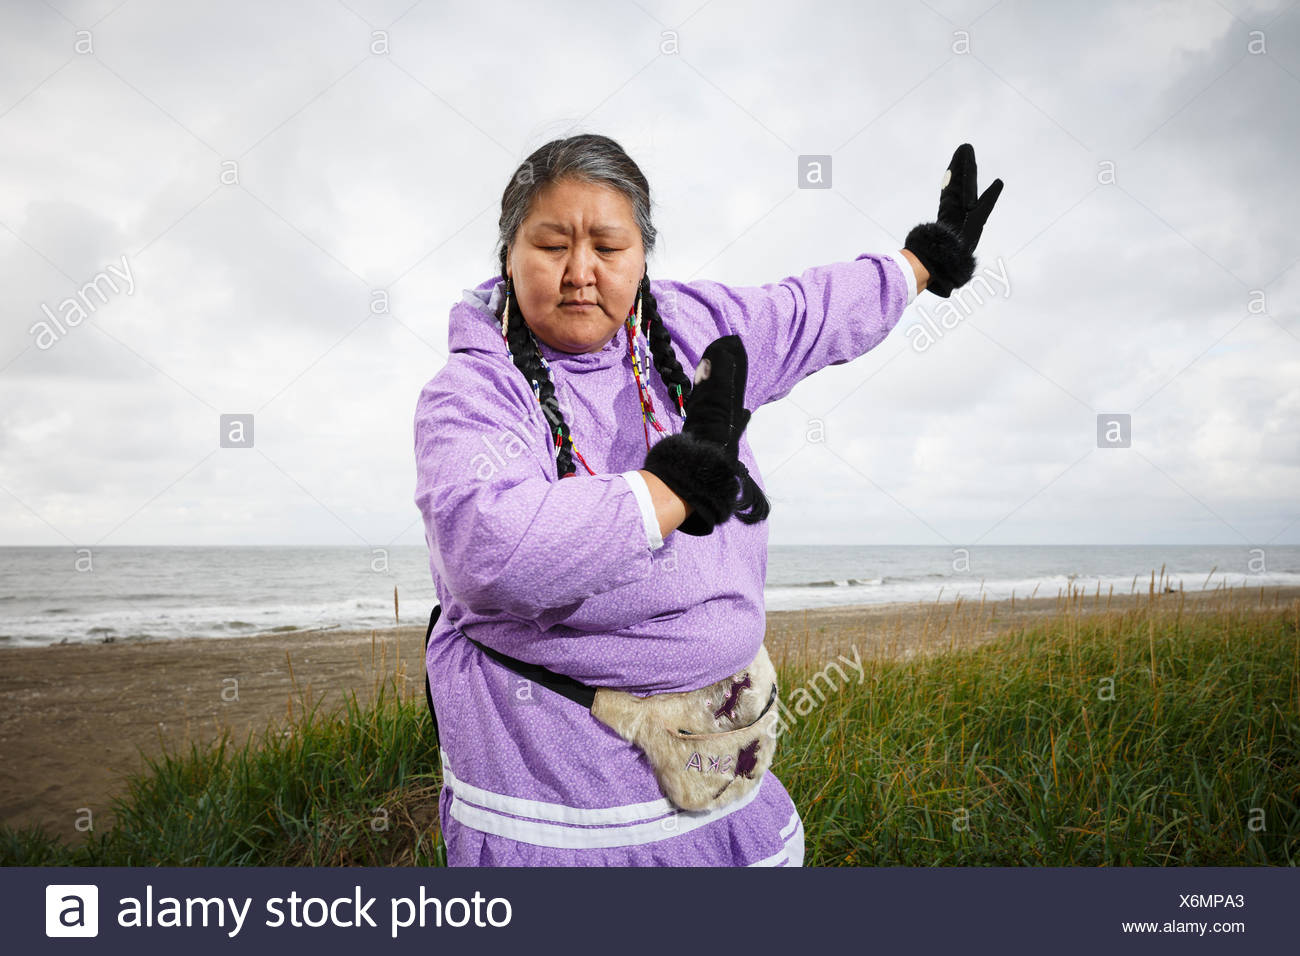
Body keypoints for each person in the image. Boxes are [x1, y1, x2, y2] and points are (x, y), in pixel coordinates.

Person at [413, 134, 1002, 866]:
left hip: (719, 765)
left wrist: (918, 266)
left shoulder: (692, 326)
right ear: (509, 253)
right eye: (552, 245)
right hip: (558, 787)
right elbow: (490, 549)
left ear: (643, 256)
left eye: (608, 246)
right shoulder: (473, 391)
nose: (579, 273)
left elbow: (804, 313)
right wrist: (668, 494)